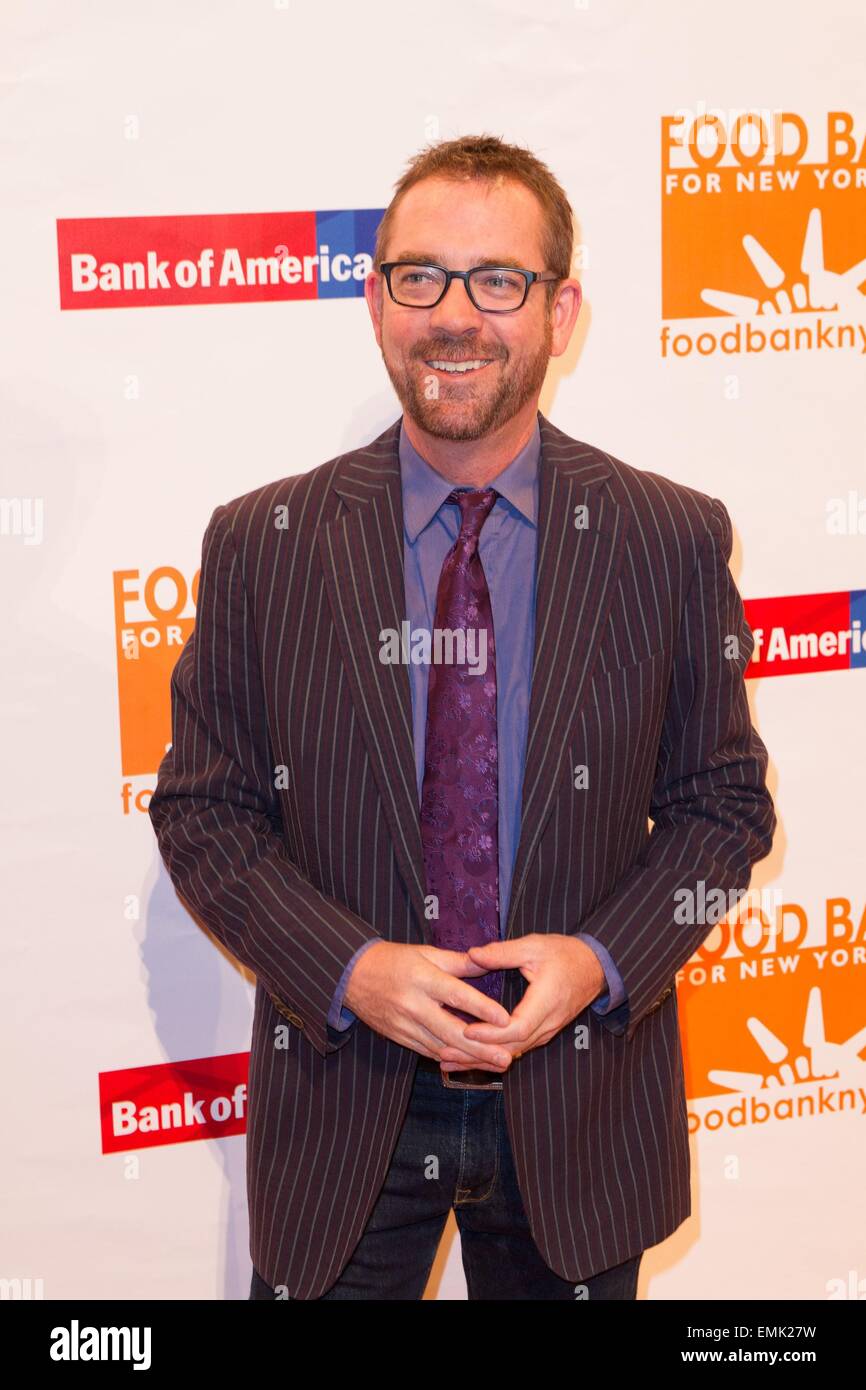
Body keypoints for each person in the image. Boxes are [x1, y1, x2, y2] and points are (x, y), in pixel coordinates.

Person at [148, 133, 776, 1300]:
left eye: (497, 281)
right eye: (418, 276)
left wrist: (596, 963)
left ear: (560, 308)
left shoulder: (668, 536)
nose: (454, 316)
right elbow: (205, 812)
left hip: (583, 1113)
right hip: (345, 1108)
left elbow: (719, 805)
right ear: (375, 300)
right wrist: (349, 967)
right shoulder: (261, 543)